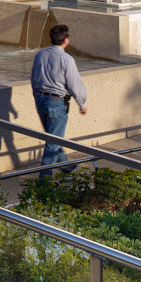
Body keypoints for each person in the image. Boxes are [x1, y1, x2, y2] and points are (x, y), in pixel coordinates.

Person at [29, 23, 88, 175]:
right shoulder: (66, 59)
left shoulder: (40, 54)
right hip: (56, 101)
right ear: (66, 40)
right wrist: (82, 103)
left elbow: (33, 77)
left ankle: (66, 165)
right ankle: (44, 183)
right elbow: (74, 83)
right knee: (53, 142)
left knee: (53, 137)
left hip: (40, 99)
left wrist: (36, 95)